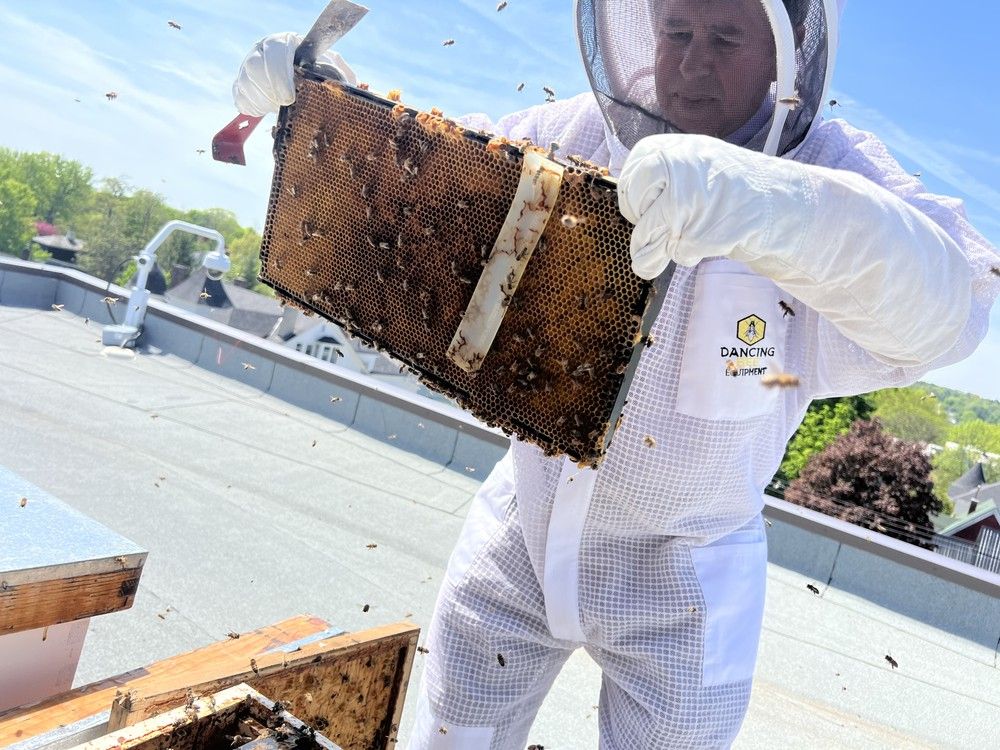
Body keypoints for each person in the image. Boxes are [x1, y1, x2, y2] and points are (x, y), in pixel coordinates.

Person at [233, 1, 1000, 747]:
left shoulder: (831, 166)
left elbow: (954, 307)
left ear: (784, 53)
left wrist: (772, 210)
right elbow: (427, 192)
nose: (693, 61)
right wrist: (328, 110)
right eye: (676, 31)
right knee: (450, 736)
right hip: (519, 530)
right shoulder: (575, 131)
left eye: (727, 37)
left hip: (686, 577)